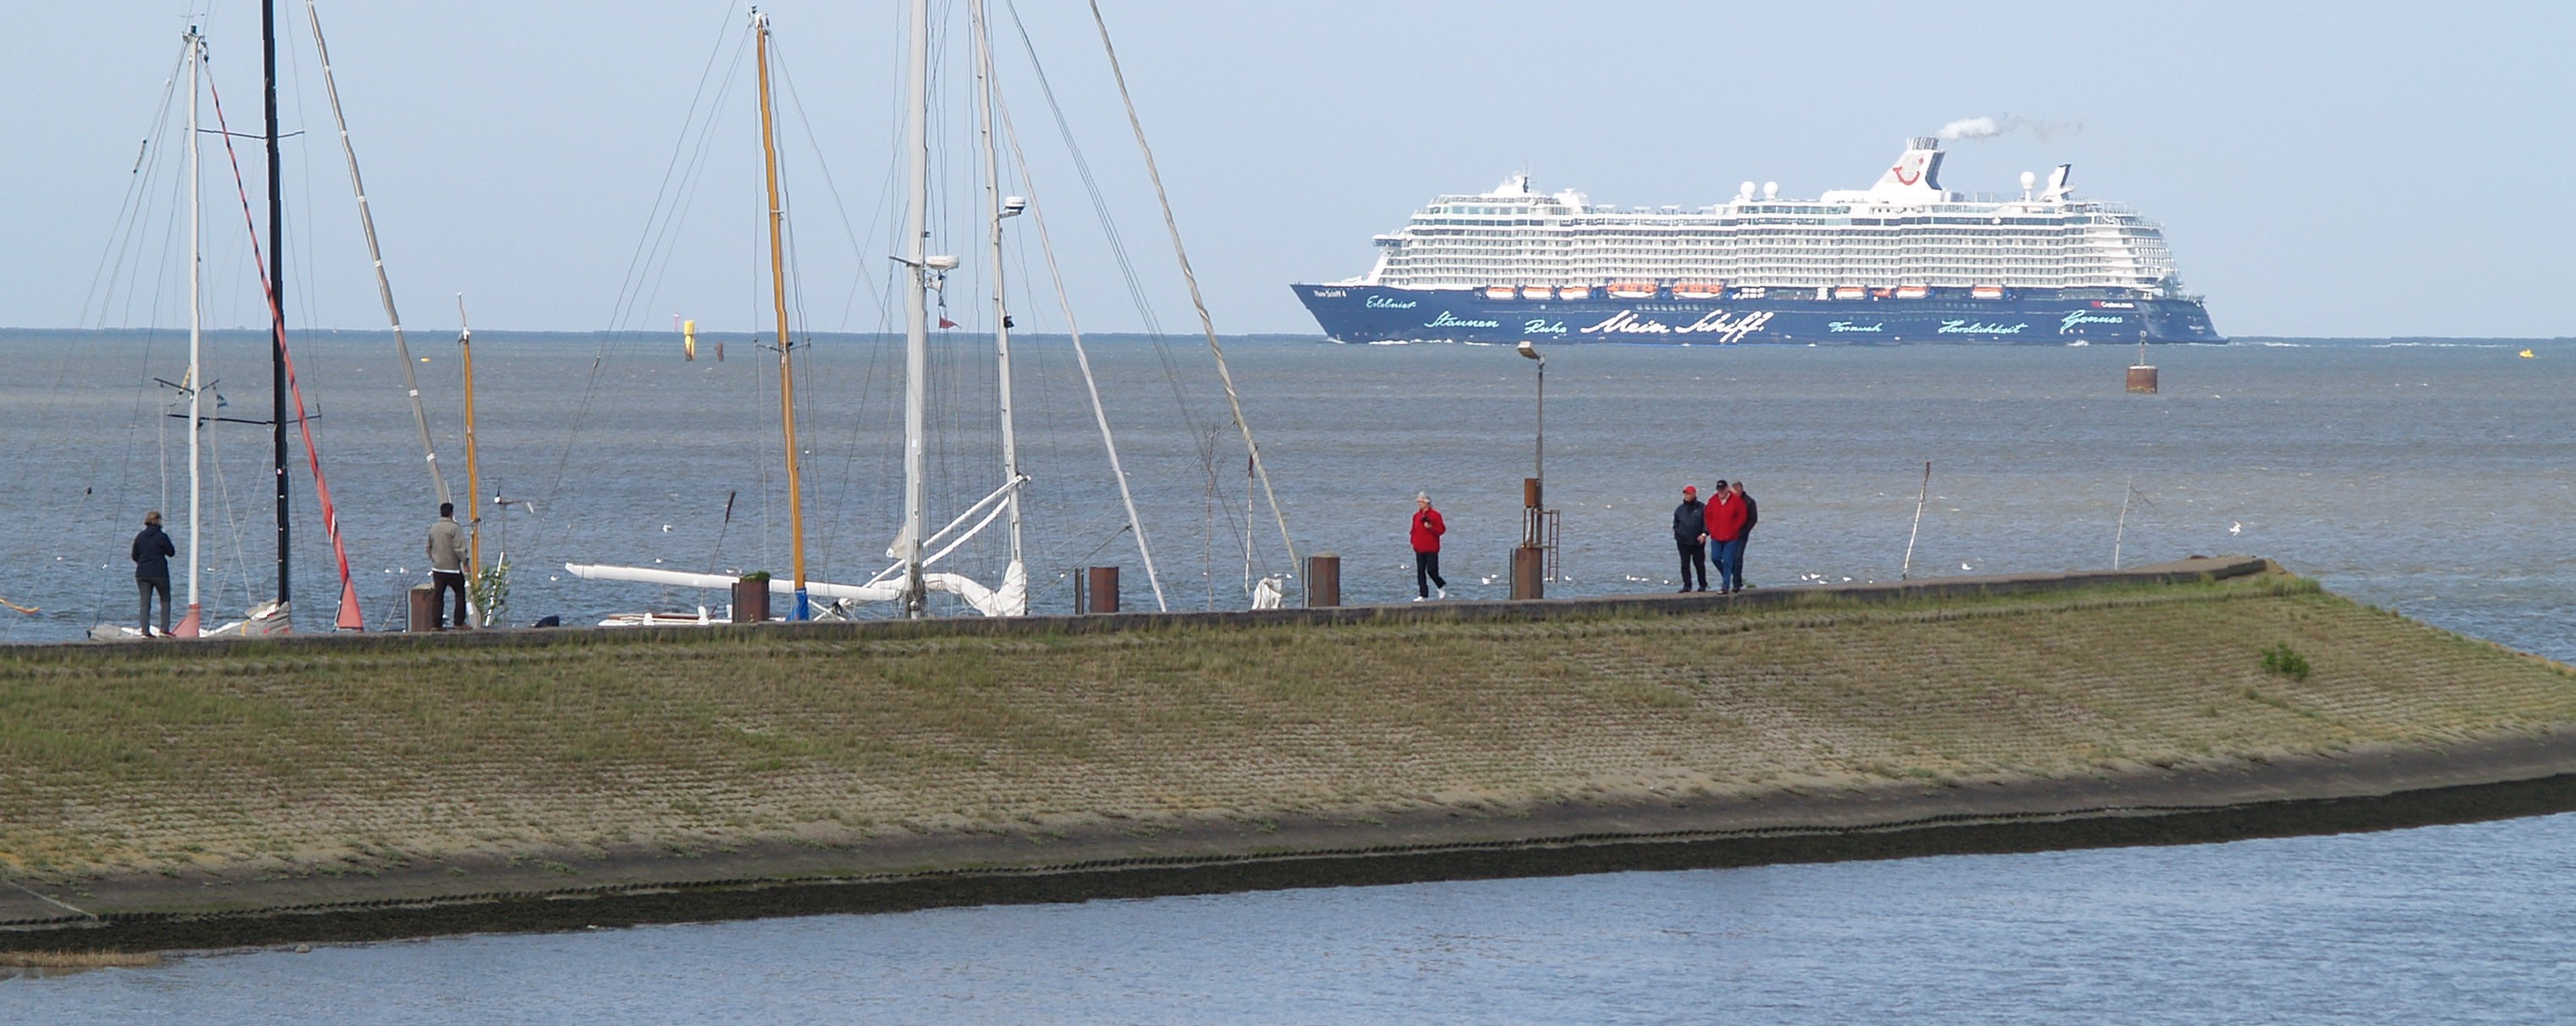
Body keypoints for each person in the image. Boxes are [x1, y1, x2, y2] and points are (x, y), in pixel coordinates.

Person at [131, 511, 175, 637]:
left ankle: (145, 630)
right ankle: (164, 629)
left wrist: (143, 562)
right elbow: (171, 552)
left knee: (145, 602)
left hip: (142, 573)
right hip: (159, 573)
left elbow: (134, 555)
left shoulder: (140, 536)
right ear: (158, 521)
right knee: (165, 600)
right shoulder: (161, 536)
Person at [1703, 480, 1750, 594]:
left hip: (1731, 537)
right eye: (1719, 490)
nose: (1721, 492)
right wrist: (1712, 529)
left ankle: (1725, 586)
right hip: (1716, 536)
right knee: (1715, 558)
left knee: (1728, 560)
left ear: (1727, 489)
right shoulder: (1713, 501)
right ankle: (1728, 576)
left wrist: (1735, 529)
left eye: (1723, 489)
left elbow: (1742, 516)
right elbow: (1708, 516)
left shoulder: (1736, 501)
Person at [427, 502, 469, 629]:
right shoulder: (455, 528)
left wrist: (434, 559)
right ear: (451, 513)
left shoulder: (434, 528)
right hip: (452, 569)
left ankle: (436, 624)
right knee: (460, 594)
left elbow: (428, 547)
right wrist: (465, 562)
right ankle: (459, 622)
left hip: (438, 568)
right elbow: (459, 548)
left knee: (438, 597)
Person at [1410, 492, 1447, 601]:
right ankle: (1423, 595)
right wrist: (1413, 542)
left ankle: (1441, 585)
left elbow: (1441, 530)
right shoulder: (1416, 516)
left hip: (1432, 547)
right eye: (1418, 502)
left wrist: (1431, 527)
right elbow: (1413, 530)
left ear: (1427, 502)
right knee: (1420, 572)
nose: (1419, 504)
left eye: (1421, 501)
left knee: (1432, 570)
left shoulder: (1436, 515)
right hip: (1419, 548)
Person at [1671, 484, 1708, 592]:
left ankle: (1702, 585)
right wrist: (1677, 534)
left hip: (1698, 541)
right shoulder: (1680, 509)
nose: (1686, 495)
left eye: (1688, 493)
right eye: (1685, 493)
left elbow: (1707, 523)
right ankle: (1687, 585)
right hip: (1683, 541)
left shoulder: (1702, 508)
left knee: (1699, 564)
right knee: (1685, 564)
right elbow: (1676, 523)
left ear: (1694, 494)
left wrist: (1704, 534)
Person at [1732, 479, 1760, 590]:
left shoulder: (1749, 502)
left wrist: (1743, 531)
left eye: (1734, 492)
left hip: (1741, 534)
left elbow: (1753, 519)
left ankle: (1737, 582)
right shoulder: (1729, 501)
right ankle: (1734, 577)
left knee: (1737, 557)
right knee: (1725, 558)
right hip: (1728, 533)